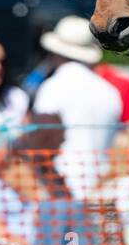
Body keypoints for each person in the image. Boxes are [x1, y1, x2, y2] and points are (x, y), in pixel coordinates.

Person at [32, 16, 122, 200]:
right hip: (97, 193)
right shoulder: (110, 92)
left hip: (58, 192)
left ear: (55, 52)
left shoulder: (53, 87)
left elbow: (40, 144)